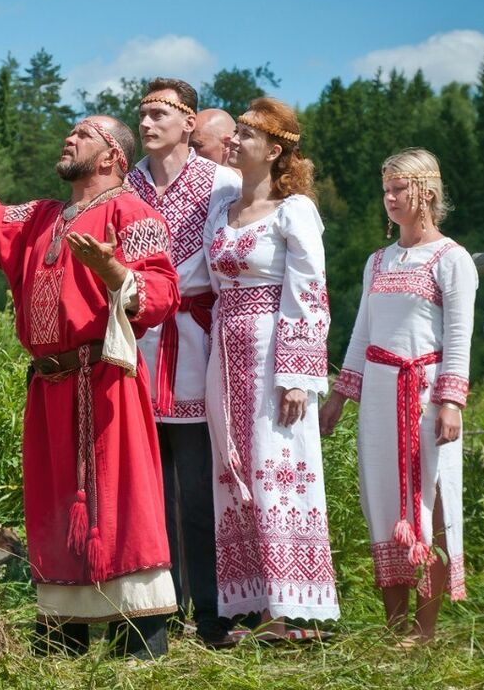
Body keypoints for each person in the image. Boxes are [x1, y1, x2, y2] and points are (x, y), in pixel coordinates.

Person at [0, 116, 180, 658]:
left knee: (119, 503)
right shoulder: (41, 217)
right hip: (49, 388)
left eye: (85, 134)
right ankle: (63, 631)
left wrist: (115, 271)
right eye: (71, 132)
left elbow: (160, 292)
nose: (70, 138)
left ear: (113, 154)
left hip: (106, 381)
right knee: (53, 506)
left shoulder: (132, 211)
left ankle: (137, 636)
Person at [320, 148, 476, 644]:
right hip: (381, 397)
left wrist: (450, 401)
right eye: (384, 189)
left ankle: (425, 630)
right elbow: (362, 332)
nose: (388, 198)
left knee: (427, 501)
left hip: (426, 394)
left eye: (398, 189)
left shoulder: (452, 259)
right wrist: (339, 397)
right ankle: (394, 628)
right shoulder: (377, 261)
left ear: (426, 191)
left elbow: (458, 335)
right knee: (384, 504)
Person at [202, 97, 339, 637]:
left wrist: (300, 375)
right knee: (233, 468)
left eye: (245, 134)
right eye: (233, 131)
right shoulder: (222, 209)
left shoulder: (295, 210)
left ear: (275, 150)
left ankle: (292, 609)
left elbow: (309, 291)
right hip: (224, 344)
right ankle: (257, 607)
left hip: (271, 349)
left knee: (277, 461)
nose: (233, 140)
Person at [125, 79, 241, 645]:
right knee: (150, 487)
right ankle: (159, 607)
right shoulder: (127, 185)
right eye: (142, 113)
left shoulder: (223, 183)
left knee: (198, 488)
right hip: (141, 341)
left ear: (189, 121)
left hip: (197, 341)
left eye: (159, 114)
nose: (147, 124)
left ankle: (213, 611)